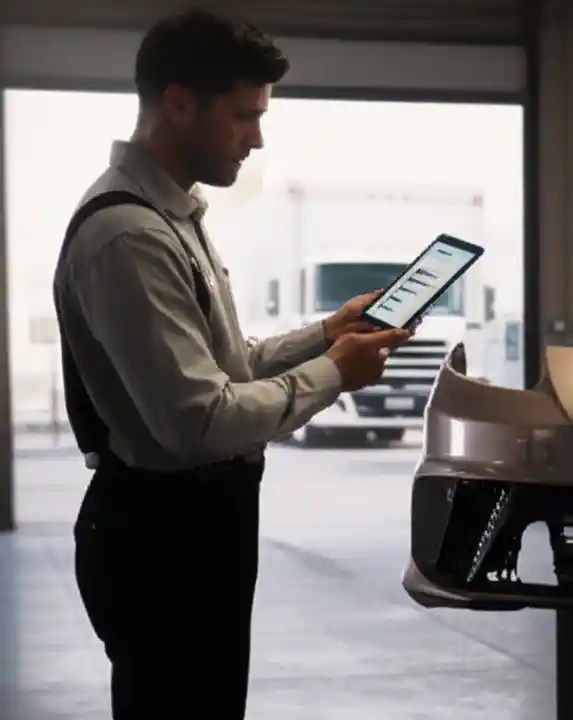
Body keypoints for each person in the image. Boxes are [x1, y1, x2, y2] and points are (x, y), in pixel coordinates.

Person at [51, 8, 411, 719]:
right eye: (244, 117)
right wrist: (336, 370)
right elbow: (200, 418)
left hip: (192, 527)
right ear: (179, 103)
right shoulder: (128, 236)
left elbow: (225, 364)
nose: (256, 139)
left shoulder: (171, 218)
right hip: (162, 536)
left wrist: (325, 335)